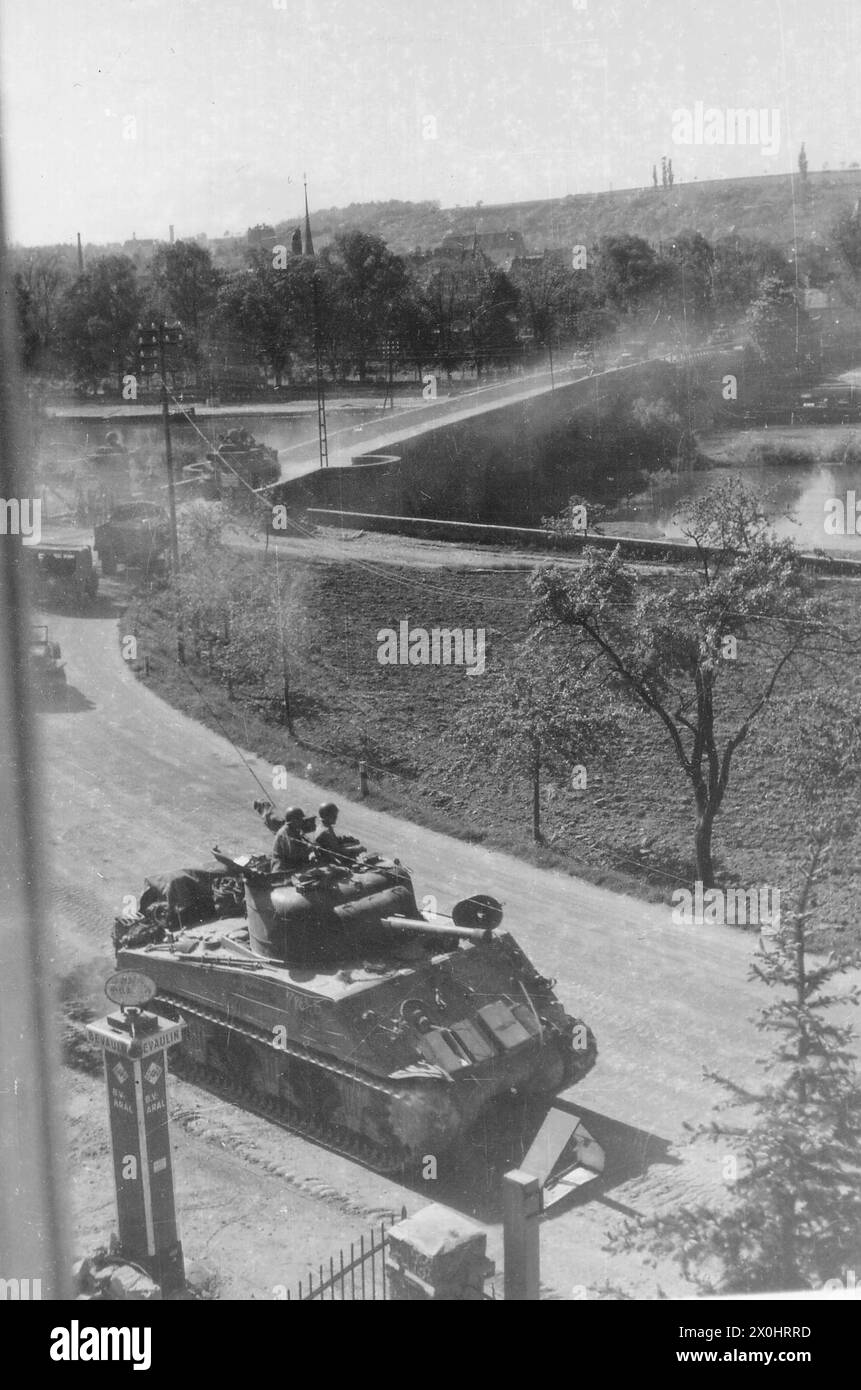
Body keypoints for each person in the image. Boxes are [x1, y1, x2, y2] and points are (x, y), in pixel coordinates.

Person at [271, 806, 314, 875]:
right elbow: (293, 854)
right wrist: (309, 848)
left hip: (291, 866)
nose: (302, 821)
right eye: (300, 819)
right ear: (293, 820)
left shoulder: (293, 830)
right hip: (282, 870)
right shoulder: (286, 833)